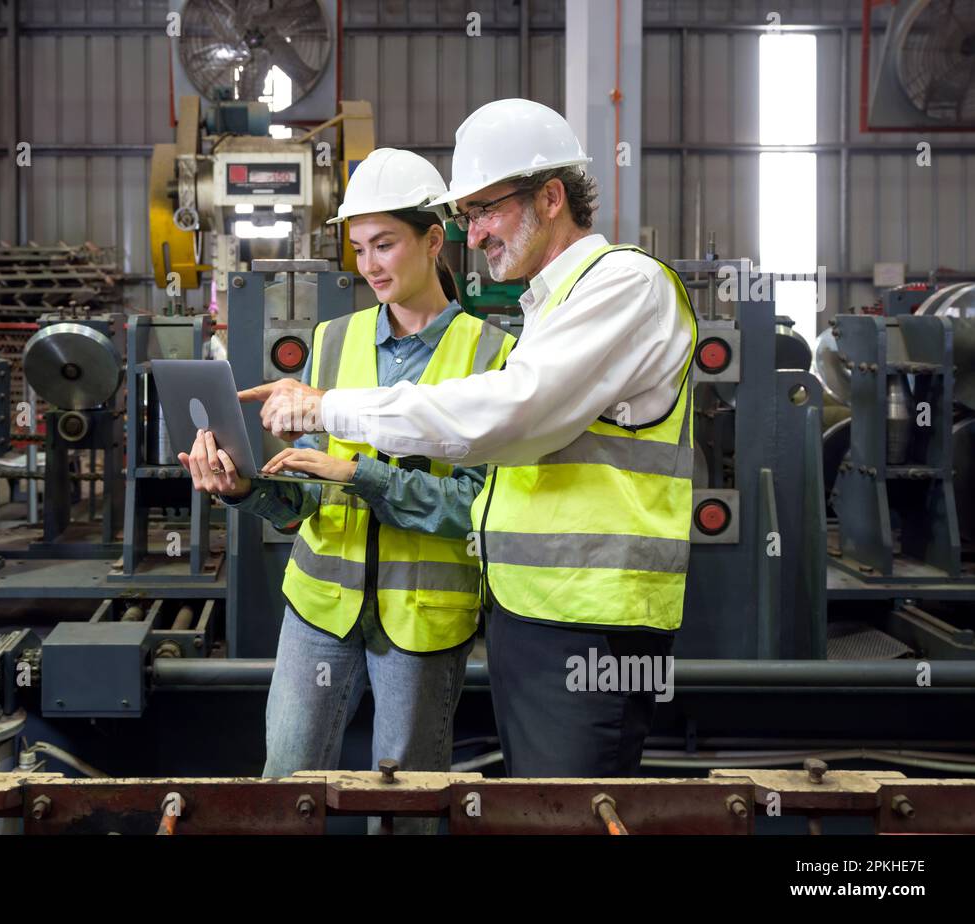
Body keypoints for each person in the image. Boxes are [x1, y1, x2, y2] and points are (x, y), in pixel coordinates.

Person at [240, 99, 698, 779]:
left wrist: (330, 414)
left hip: (590, 617)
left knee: (559, 815)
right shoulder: (547, 310)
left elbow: (508, 418)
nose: (475, 234)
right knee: (540, 808)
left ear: (549, 198)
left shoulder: (623, 285)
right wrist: (249, 487)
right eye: (468, 215)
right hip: (526, 610)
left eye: (485, 210)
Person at [178, 148, 514, 828]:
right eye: (359, 248)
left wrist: (360, 473)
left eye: (385, 243)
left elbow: (478, 509)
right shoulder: (332, 340)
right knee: (284, 787)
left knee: (409, 806)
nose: (371, 265)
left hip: (421, 621)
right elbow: (302, 491)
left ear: (434, 237)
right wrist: (245, 488)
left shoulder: (491, 357)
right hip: (319, 610)